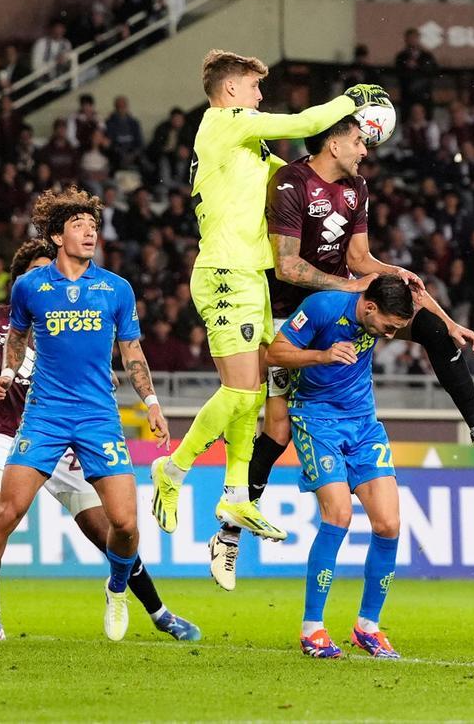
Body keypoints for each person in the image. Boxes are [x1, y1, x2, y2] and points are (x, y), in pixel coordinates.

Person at [208, 117, 474, 589]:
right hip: (290, 315)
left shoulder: (356, 187)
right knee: (276, 430)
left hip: (347, 304)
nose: (365, 150)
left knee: (431, 332)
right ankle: (230, 532)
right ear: (333, 141)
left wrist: (436, 311)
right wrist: (351, 287)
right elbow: (287, 265)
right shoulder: (291, 181)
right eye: (359, 141)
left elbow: (362, 261)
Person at [149, 49, 385, 543]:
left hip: (251, 276)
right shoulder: (222, 122)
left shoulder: (249, 150)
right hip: (223, 271)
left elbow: (302, 172)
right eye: (255, 88)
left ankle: (236, 496)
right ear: (232, 90)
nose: (260, 97)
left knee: (252, 393)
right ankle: (171, 470)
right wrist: (352, 101)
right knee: (238, 391)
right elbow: (303, 121)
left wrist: (343, 154)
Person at [0, 239, 197, 644]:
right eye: (39, 273)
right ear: (23, 280)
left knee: (108, 528)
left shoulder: (80, 318)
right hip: (12, 432)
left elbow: (111, 362)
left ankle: (158, 611)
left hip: (70, 440)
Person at [266, 274, 413, 660]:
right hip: (316, 420)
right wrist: (323, 355)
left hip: (364, 423)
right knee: (339, 516)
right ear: (369, 307)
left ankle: (368, 626)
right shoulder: (324, 307)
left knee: (389, 524)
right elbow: (275, 354)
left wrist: (449, 325)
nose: (391, 336)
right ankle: (312, 628)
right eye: (388, 327)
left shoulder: (378, 313)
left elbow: (419, 307)